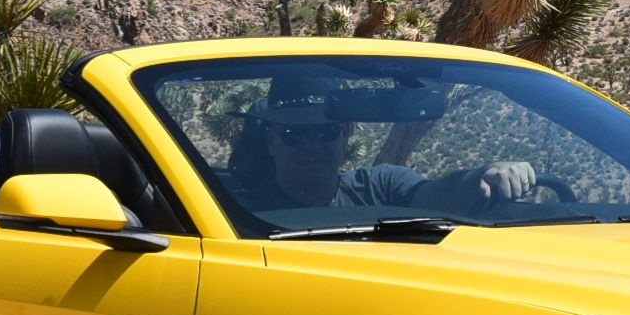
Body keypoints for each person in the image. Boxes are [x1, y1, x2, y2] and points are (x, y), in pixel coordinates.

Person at [232, 72, 542, 218]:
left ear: (344, 136)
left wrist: (482, 176)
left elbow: (435, 197)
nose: (312, 145)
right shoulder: (241, 215)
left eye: (325, 132)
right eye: (293, 134)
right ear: (271, 140)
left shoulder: (379, 186)